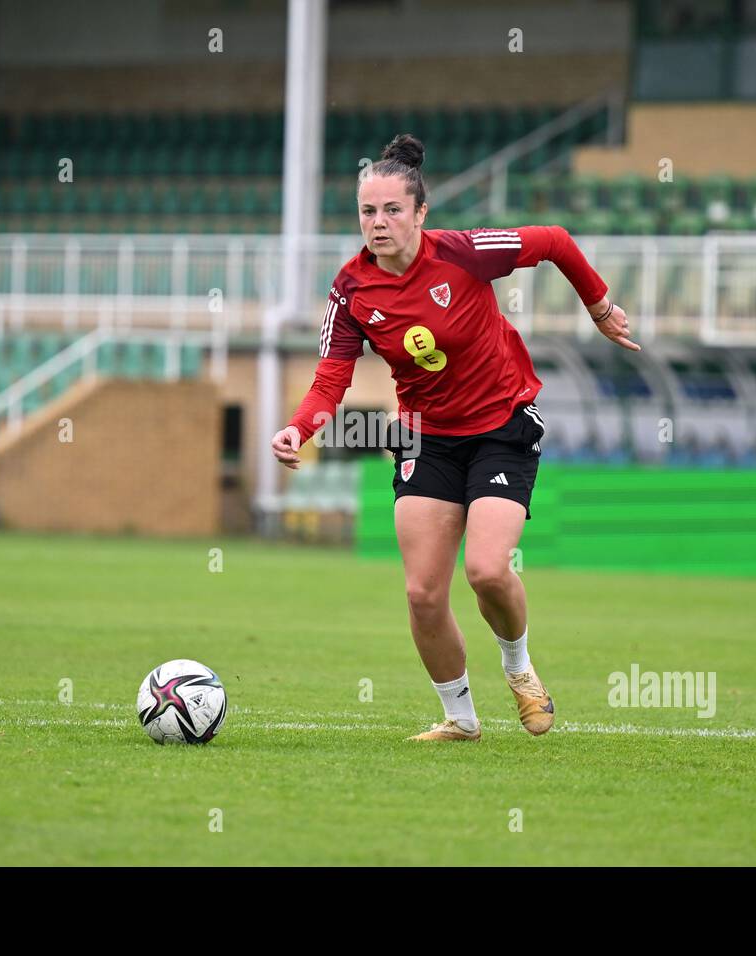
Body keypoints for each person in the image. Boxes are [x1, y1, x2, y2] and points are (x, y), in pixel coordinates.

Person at [270, 134, 637, 741]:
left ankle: (519, 670)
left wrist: (599, 308)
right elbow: (331, 375)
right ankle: (461, 720)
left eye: (392, 210)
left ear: (420, 213)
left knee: (488, 571)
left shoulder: (464, 253)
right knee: (421, 593)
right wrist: (298, 427)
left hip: (502, 424)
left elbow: (554, 241)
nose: (378, 223)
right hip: (424, 437)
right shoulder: (350, 289)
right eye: (367, 211)